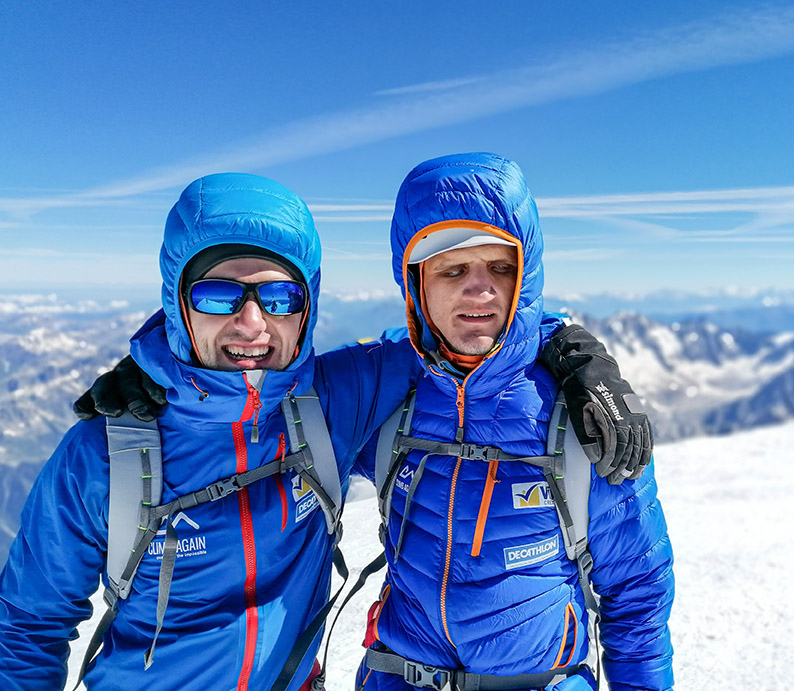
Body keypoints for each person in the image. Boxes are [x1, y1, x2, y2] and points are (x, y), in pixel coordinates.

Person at [0, 171, 653, 690]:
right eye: (220, 296)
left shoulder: (329, 398)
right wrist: (152, 363)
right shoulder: (108, 451)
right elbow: (28, 625)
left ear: (307, 307)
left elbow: (467, 330)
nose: (252, 324)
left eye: (280, 299)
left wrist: (569, 345)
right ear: (178, 300)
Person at [353, 153, 674, 690]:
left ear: (524, 279)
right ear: (415, 283)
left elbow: (637, 594)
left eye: (501, 268)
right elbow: (256, 388)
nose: (480, 291)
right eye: (453, 269)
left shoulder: (583, 415)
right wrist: (159, 373)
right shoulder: (386, 391)